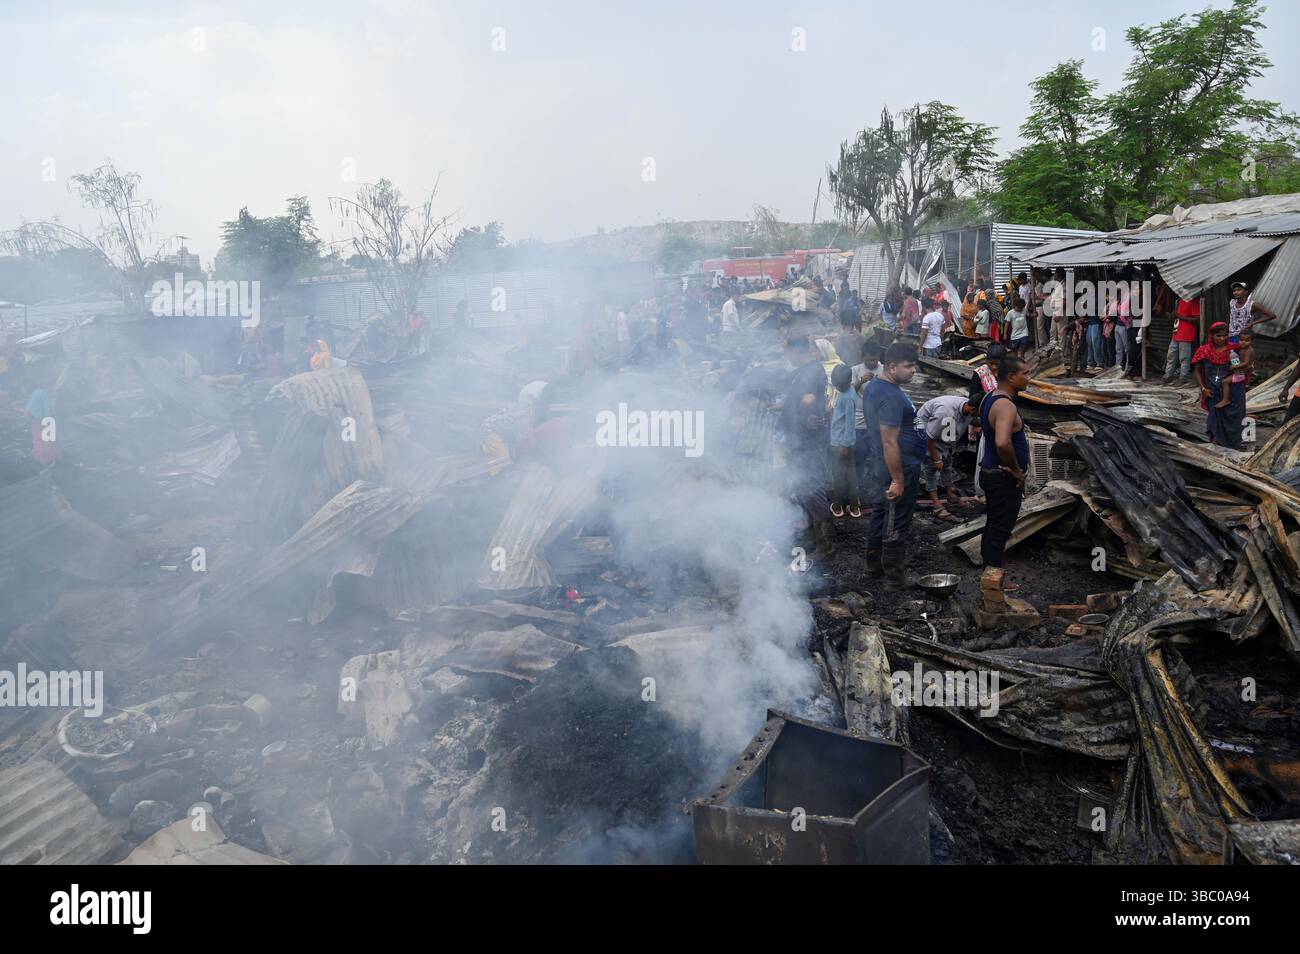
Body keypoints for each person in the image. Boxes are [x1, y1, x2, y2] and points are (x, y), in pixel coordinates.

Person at [863, 342, 926, 583]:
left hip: (883, 463)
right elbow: (889, 441)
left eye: (915, 366)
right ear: (891, 367)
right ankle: (894, 575)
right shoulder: (890, 396)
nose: (913, 371)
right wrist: (899, 480)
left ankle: (874, 564)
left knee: (880, 512)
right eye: (908, 366)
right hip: (899, 466)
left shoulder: (876, 387)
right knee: (898, 518)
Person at [978, 355, 1032, 612]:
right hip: (1002, 477)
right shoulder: (1006, 406)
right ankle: (993, 581)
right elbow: (1002, 442)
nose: (1029, 378)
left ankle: (988, 568)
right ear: (1011, 378)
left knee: (993, 523)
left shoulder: (990, 397)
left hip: (989, 472)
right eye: (1026, 374)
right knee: (1001, 528)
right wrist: (1015, 469)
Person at [781, 333, 834, 558]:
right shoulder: (801, 373)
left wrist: (810, 416)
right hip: (798, 440)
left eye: (787, 350)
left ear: (795, 350)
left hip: (808, 443)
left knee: (813, 490)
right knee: (803, 489)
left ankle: (826, 544)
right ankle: (813, 534)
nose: (785, 355)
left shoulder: (812, 372)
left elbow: (813, 404)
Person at [916, 394, 976, 523]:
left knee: (948, 466)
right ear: (972, 409)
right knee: (931, 471)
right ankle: (937, 507)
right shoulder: (945, 412)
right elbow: (928, 437)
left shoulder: (968, 406)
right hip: (925, 436)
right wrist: (936, 458)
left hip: (944, 437)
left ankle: (952, 497)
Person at [1193, 323, 1246, 449]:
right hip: (1212, 391)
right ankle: (1216, 446)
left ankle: (1233, 446)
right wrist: (1203, 388)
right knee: (1215, 420)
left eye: (1225, 335)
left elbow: (1242, 369)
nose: (1222, 339)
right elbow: (1197, 370)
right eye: (1218, 336)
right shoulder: (1203, 351)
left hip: (1232, 391)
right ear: (1211, 335)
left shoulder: (1234, 349)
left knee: (1234, 420)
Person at [852, 341, 884, 507]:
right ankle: (857, 492)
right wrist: (860, 381)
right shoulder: (856, 370)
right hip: (859, 421)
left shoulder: (884, 369)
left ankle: (877, 491)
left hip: (878, 421)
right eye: (869, 360)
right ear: (862, 357)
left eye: (875, 360)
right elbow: (848, 393)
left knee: (878, 457)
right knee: (859, 456)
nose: (873, 363)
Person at [829, 362, 860, 518]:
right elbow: (855, 386)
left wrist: (844, 445)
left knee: (839, 476)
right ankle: (854, 506)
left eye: (839, 386)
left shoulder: (847, 398)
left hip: (840, 443)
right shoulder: (850, 389)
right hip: (846, 442)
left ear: (846, 383)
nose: (838, 388)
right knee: (851, 474)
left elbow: (849, 423)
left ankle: (837, 505)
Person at [1165, 296, 1199, 383]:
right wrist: (1172, 316)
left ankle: (1183, 377)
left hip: (1186, 333)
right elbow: (1177, 316)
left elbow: (1197, 319)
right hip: (1176, 332)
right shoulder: (1179, 301)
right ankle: (1168, 374)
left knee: (1184, 357)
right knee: (1171, 355)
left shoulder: (1193, 301)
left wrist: (1179, 316)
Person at [25, 387, 61, 464]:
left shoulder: (37, 395)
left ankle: (42, 460)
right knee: (52, 442)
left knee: (40, 442)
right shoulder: (52, 414)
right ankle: (54, 458)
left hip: (39, 425)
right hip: (55, 454)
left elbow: (27, 413)